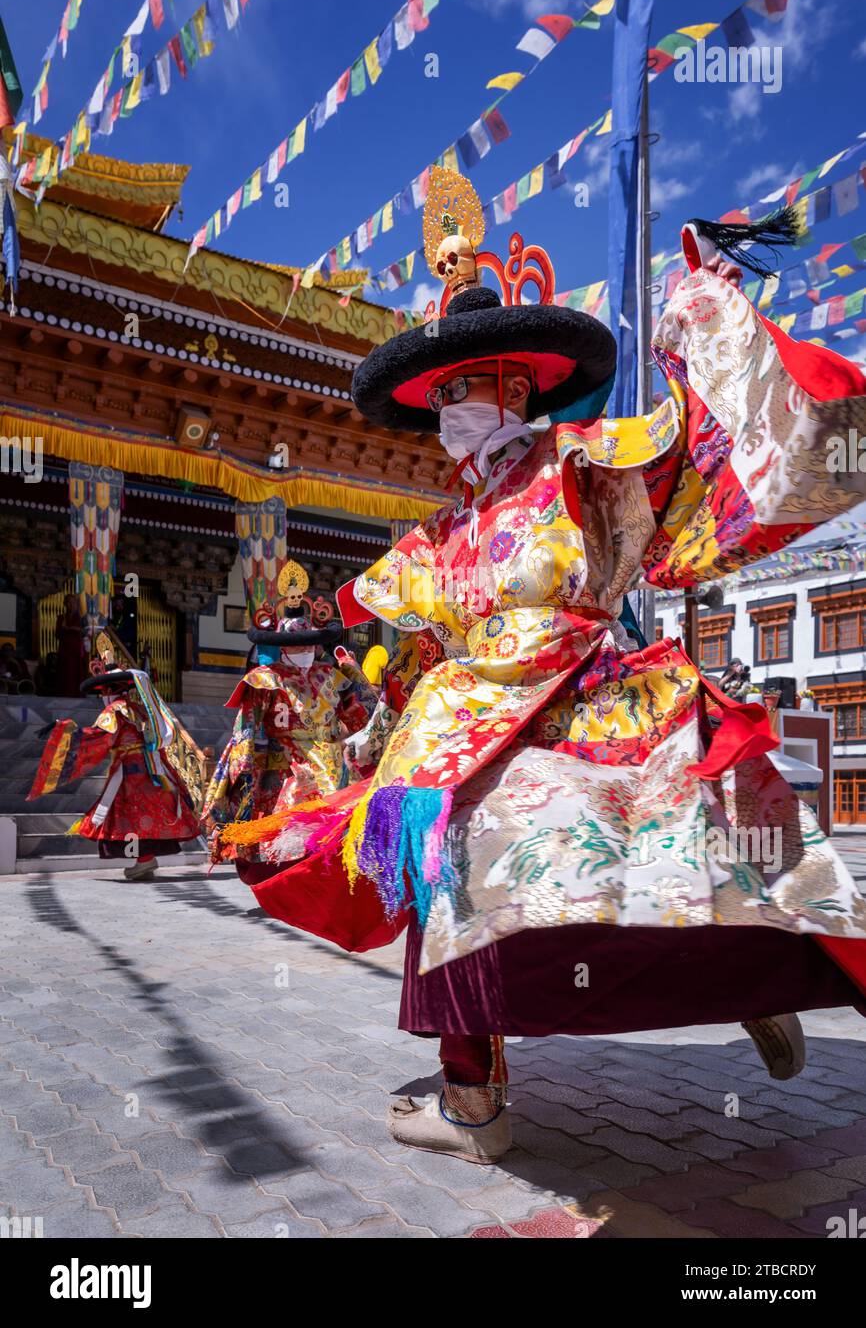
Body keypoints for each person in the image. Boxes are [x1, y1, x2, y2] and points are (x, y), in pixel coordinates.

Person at [221, 169, 866, 1164]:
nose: (441, 414)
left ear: (513, 388)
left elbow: (710, 454)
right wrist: (325, 615)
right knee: (443, 857)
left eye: (456, 392)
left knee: (701, 842)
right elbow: (378, 591)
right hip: (475, 724)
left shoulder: (588, 459)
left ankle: (760, 983)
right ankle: (471, 1097)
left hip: (596, 703)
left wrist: (706, 311)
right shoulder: (445, 524)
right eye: (432, 398)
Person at [202, 561, 378, 883]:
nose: (307, 650)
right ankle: (287, 883)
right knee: (284, 827)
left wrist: (354, 674)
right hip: (282, 768)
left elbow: (362, 714)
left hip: (331, 764)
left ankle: (321, 882)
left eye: (311, 644)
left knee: (333, 826)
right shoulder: (264, 680)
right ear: (283, 649)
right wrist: (245, 767)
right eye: (299, 645)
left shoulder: (332, 676)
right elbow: (248, 729)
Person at [29, 632, 206, 881]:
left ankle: (143, 860)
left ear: (109, 691)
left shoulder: (114, 711)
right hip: (149, 769)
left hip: (130, 775)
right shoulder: (135, 708)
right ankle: (143, 859)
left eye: (103, 692)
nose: (102, 697)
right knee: (146, 814)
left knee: (131, 816)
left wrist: (66, 731)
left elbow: (100, 736)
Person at [54, 594, 86, 698]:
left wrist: (74, 629)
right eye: (68, 602)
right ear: (65, 604)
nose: (70, 605)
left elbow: (85, 633)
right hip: (64, 649)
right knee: (64, 672)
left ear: (77, 604)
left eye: (72, 602)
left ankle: (77, 693)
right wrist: (64, 629)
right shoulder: (61, 618)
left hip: (76, 650)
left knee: (76, 671)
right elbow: (57, 635)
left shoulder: (82, 618)